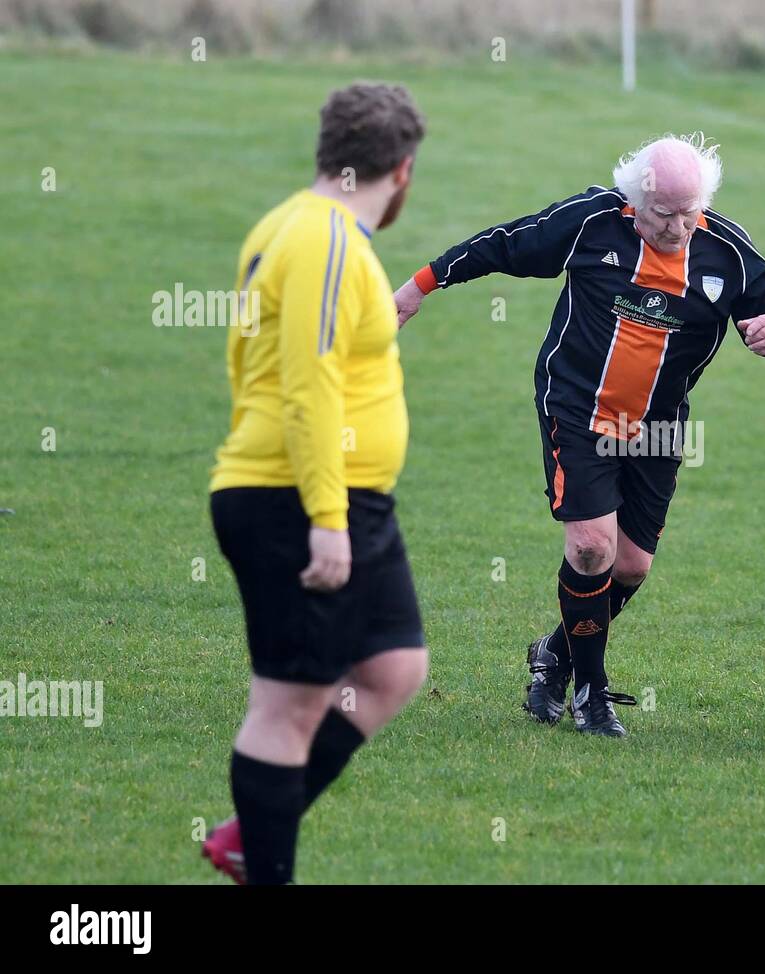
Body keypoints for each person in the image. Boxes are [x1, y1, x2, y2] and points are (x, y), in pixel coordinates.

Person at [394, 133, 765, 737]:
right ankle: (592, 694)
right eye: (664, 215)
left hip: (657, 425)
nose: (679, 226)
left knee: (630, 566)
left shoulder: (726, 251)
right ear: (636, 200)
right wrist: (421, 284)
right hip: (578, 408)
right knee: (590, 550)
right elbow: (504, 244)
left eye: (690, 213)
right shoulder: (592, 223)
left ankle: (555, 654)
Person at [203, 82, 429, 882]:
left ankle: (253, 829)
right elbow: (307, 383)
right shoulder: (325, 239)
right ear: (402, 171)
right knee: (290, 706)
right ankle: (266, 862)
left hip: (345, 496)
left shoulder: (292, 225)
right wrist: (325, 518)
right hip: (297, 498)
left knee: (394, 669)